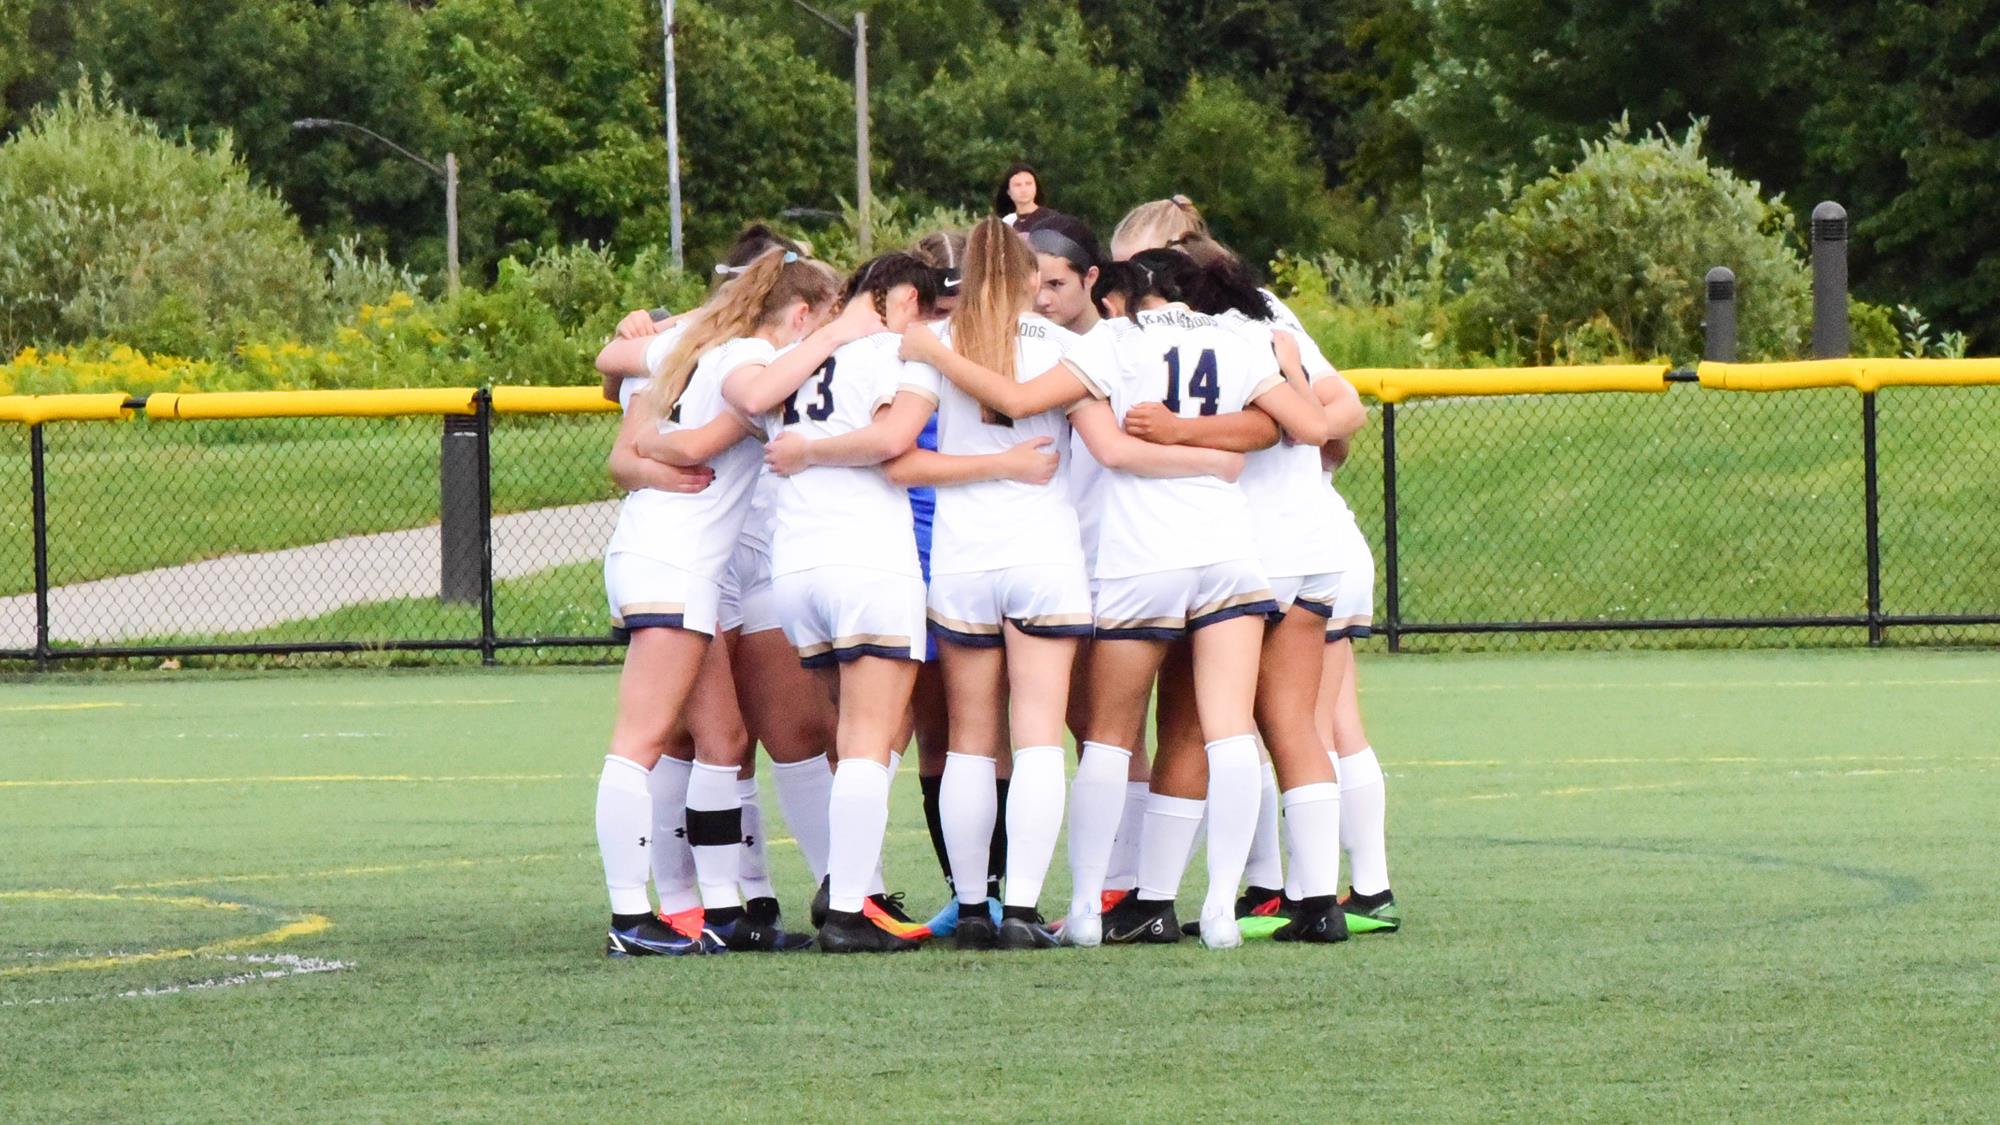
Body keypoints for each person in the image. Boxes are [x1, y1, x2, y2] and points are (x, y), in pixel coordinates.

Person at [588, 248, 838, 956]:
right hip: (672, 561)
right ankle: (631, 918)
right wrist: (665, 445)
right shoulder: (748, 359)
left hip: (677, 561)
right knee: (641, 742)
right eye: (822, 320)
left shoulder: (697, 345)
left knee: (724, 739)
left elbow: (625, 381)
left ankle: (724, 912)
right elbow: (722, 421)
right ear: (800, 315)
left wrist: (653, 444)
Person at [1124, 235, 1364, 943]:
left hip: (1250, 549)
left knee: (1190, 724)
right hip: (1314, 544)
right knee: (1293, 722)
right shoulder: (1275, 327)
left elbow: (1292, 425)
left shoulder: (1213, 337)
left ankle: (1153, 898)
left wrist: (1179, 429)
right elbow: (1334, 424)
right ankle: (1317, 902)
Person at [891, 217, 1102, 950]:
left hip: (963, 555)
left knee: (971, 741)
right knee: (1039, 735)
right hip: (1041, 550)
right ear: (1026, 275)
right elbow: (1098, 441)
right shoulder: (1068, 344)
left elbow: (901, 455)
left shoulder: (932, 343)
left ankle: (973, 905)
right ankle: (1021, 909)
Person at [746, 252, 948, 954]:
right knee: (869, 738)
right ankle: (849, 905)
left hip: (798, 566)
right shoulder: (898, 353)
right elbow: (893, 442)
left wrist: (804, 447)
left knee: (850, 733)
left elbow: (755, 399)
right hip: (867, 560)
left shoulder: (800, 355)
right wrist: (816, 451)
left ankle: (848, 886)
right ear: (906, 299)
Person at [992, 162, 1062, 234]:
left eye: (1028, 184)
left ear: (1036, 187)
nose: (1024, 190)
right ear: (1008, 191)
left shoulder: (1052, 219)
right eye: (1017, 185)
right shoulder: (1007, 223)